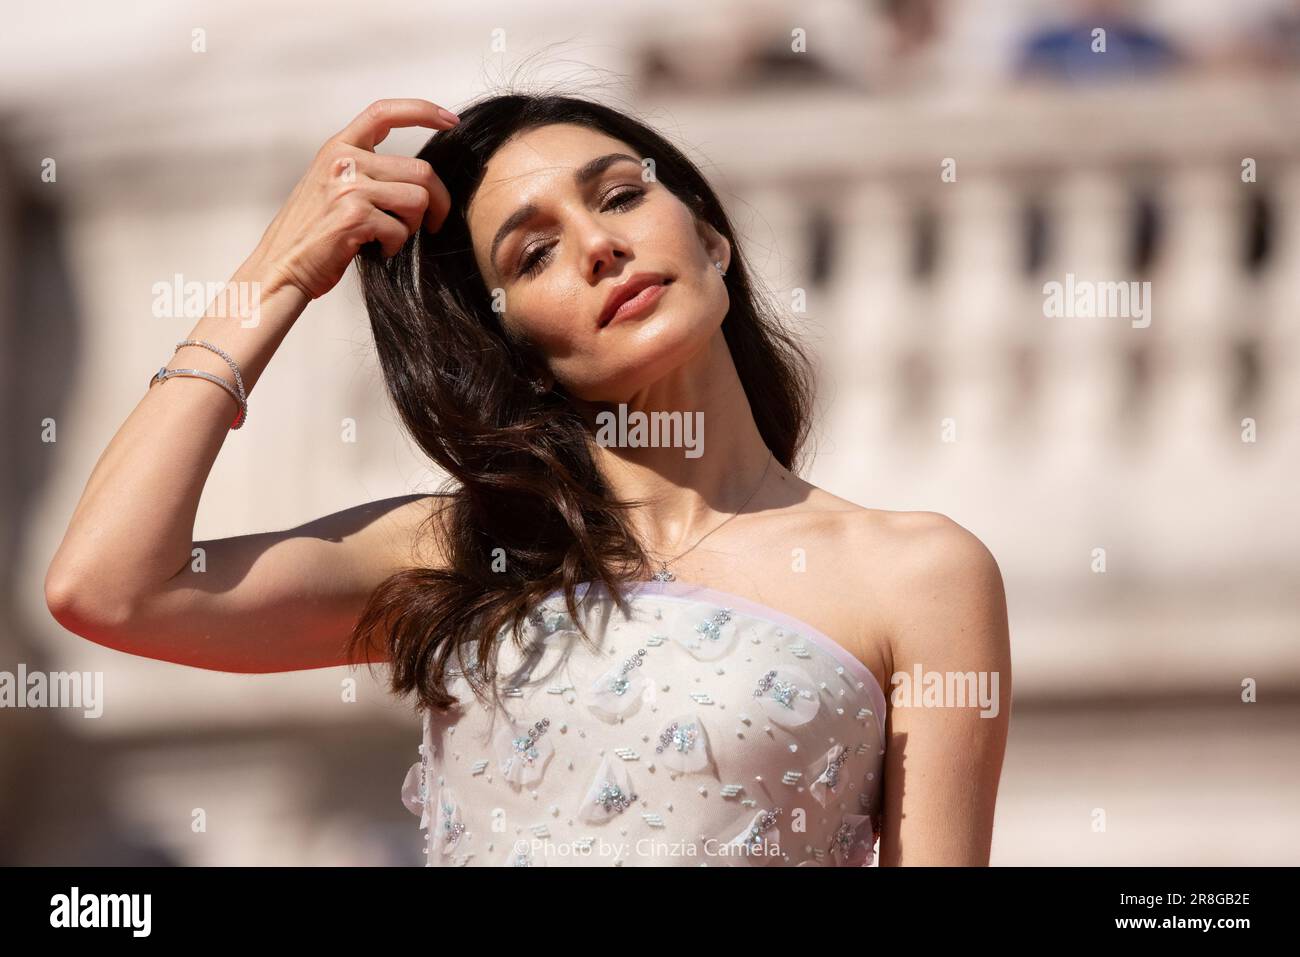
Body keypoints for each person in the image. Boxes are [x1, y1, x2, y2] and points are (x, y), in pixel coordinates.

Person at [44, 94, 1011, 866]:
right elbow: (110, 586)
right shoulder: (466, 551)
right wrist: (277, 272)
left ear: (712, 240)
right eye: (535, 253)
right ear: (519, 350)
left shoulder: (918, 573)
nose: (600, 246)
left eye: (623, 195)